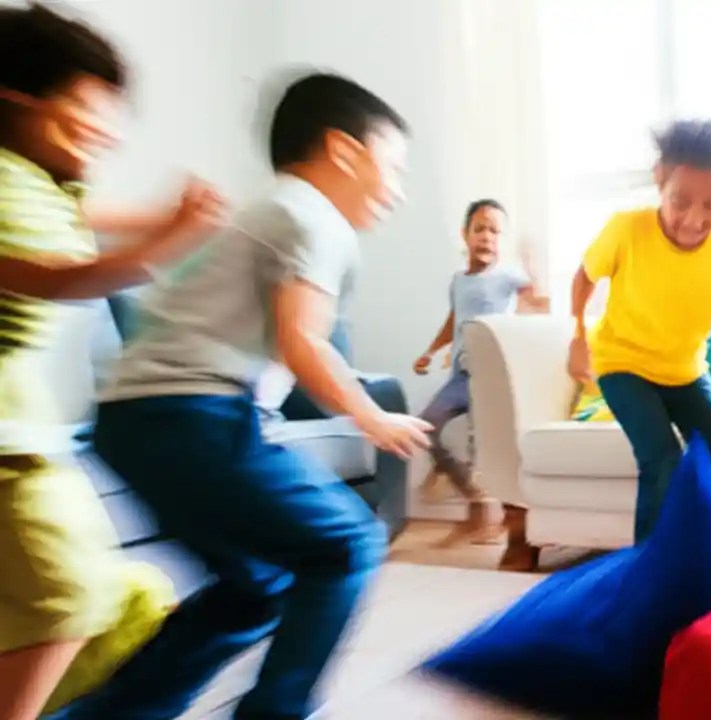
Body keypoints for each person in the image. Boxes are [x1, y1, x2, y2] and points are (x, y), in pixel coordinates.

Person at [61, 72, 431, 720]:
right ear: (344, 151)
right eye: (393, 168)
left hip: (135, 420)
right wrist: (370, 416)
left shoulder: (273, 208)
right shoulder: (313, 215)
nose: (397, 193)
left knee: (256, 586)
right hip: (187, 415)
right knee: (347, 544)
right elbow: (303, 343)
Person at [0, 5, 226, 719]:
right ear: (20, 102)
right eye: (90, 107)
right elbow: (56, 274)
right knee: (67, 595)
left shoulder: (42, 179)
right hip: (7, 448)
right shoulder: (5, 180)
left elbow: (95, 214)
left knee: (102, 593)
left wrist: (166, 217)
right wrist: (171, 242)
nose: (109, 130)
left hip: (23, 434)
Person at [567, 119, 711, 544]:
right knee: (663, 459)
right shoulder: (627, 228)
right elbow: (583, 278)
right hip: (623, 364)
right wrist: (578, 336)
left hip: (684, 370)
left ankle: (699, 540)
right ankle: (650, 566)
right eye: (681, 201)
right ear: (660, 180)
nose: (695, 220)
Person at [412, 198, 546, 547]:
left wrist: (533, 270)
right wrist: (431, 350)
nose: (487, 237)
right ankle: (473, 498)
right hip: (459, 374)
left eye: (495, 231)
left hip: (490, 375)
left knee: (485, 446)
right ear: (466, 234)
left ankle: (491, 520)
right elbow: (454, 320)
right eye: (480, 229)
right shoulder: (458, 281)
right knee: (427, 427)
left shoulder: (506, 276)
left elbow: (540, 300)